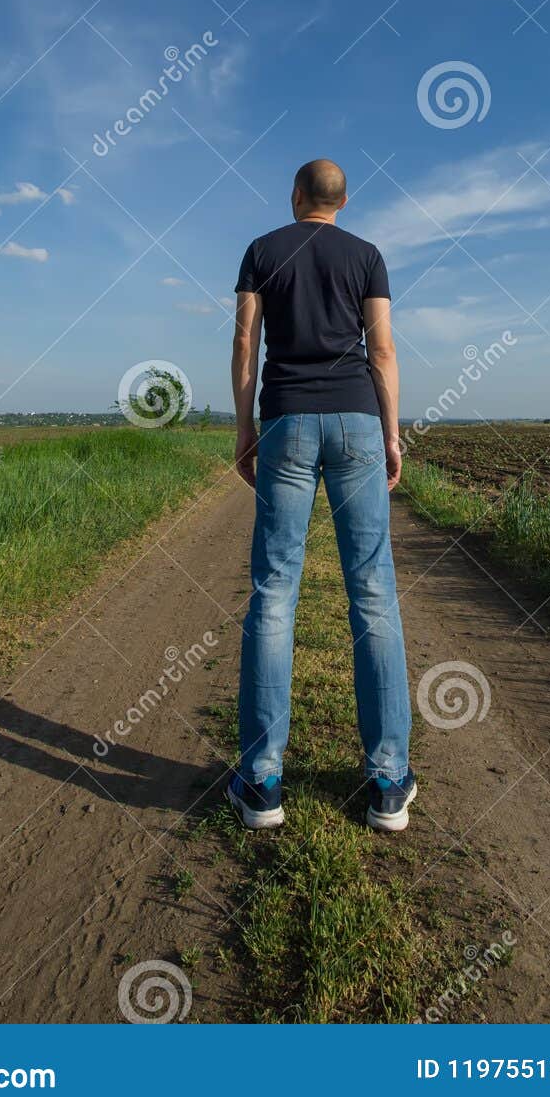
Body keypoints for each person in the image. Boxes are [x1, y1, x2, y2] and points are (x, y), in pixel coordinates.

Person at [227, 158, 415, 834]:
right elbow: (383, 351)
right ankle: (388, 781)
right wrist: (390, 436)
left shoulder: (261, 250)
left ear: (295, 195)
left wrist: (245, 428)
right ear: (342, 201)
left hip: (284, 419)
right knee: (372, 590)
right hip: (358, 419)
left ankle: (262, 781)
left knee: (275, 590)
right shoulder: (366, 256)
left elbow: (247, 340)